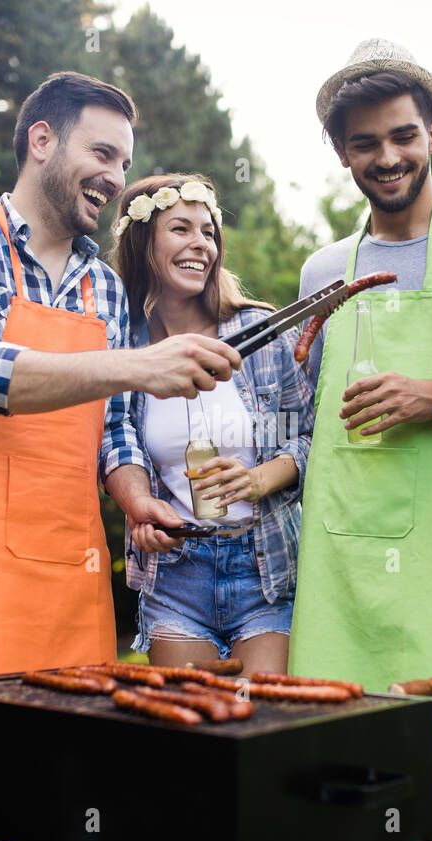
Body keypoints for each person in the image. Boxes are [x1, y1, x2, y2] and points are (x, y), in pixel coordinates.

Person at [0, 72, 241, 841]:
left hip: (67, 561)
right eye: (103, 152)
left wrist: (135, 497)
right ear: (42, 140)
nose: (117, 177)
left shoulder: (104, 288)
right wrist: (140, 365)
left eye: (125, 162)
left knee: (68, 797)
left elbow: (111, 431)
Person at [290, 39, 432, 841]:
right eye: (363, 143)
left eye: (402, 136)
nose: (386, 158)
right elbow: (305, 429)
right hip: (345, 580)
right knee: (368, 814)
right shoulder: (324, 271)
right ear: (341, 152)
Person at [105, 174, 313, 673]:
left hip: (266, 570)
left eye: (208, 231)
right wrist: (143, 512)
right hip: (178, 573)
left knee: (262, 726)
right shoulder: (124, 347)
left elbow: (307, 436)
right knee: (191, 738)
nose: (201, 243)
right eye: (181, 229)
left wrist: (258, 479)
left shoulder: (259, 334)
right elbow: (115, 441)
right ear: (142, 241)